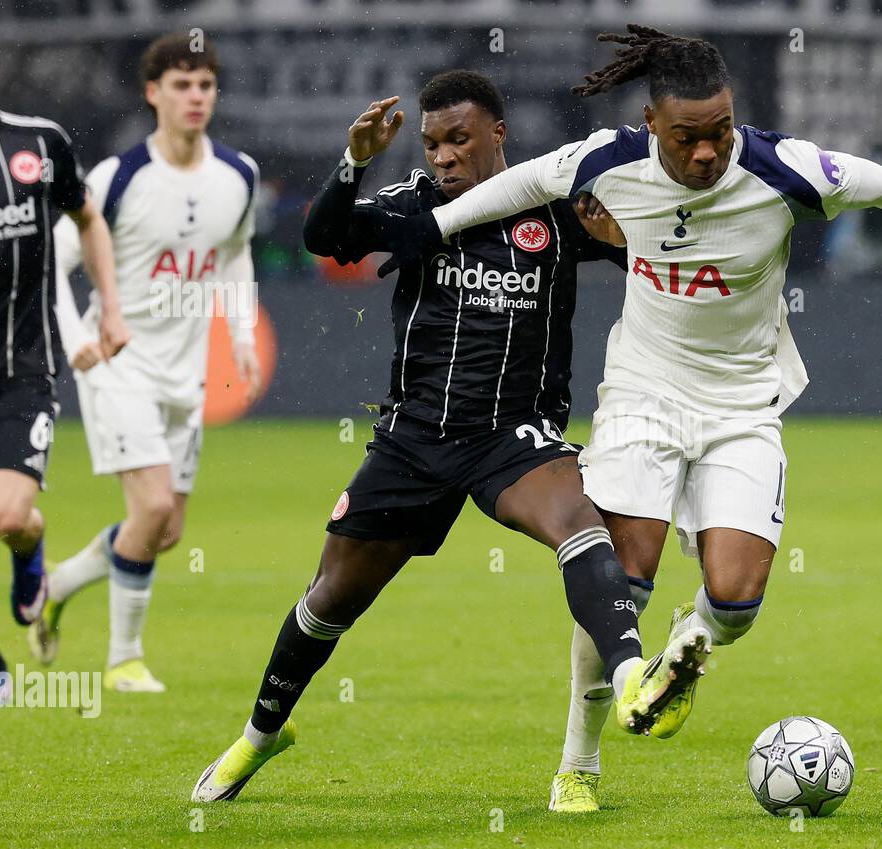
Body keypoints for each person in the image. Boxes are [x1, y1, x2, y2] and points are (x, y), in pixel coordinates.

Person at [411, 25, 882, 811]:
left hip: (742, 406)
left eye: (719, 133)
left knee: (735, 601)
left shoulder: (781, 168)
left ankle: (686, 652)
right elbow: (507, 190)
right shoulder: (605, 161)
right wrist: (416, 230)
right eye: (687, 138)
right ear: (651, 125)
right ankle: (579, 764)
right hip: (643, 395)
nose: (707, 153)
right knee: (621, 584)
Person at [191, 70, 708, 805]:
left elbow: (655, 253)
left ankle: (633, 683)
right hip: (413, 440)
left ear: (499, 134)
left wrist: (634, 224)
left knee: (581, 526)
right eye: (432, 143)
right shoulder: (411, 206)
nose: (442, 156)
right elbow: (324, 237)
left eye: (458, 139)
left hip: (513, 434)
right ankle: (261, 735)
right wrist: (354, 161)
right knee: (331, 598)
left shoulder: (555, 208)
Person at [46, 33, 262, 691]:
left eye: (204, 85)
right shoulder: (117, 178)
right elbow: (56, 258)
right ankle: (122, 660)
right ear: (152, 93)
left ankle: (57, 583)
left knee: (165, 529)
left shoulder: (239, 174)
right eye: (181, 85)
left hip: (184, 372)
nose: (195, 97)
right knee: (152, 508)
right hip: (117, 362)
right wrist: (68, 335)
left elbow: (235, 253)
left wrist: (243, 332)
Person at [0, 107, 127, 706]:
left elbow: (88, 218)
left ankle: (29, 548)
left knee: (9, 518)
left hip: (24, 371)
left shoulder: (41, 142)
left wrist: (111, 307)